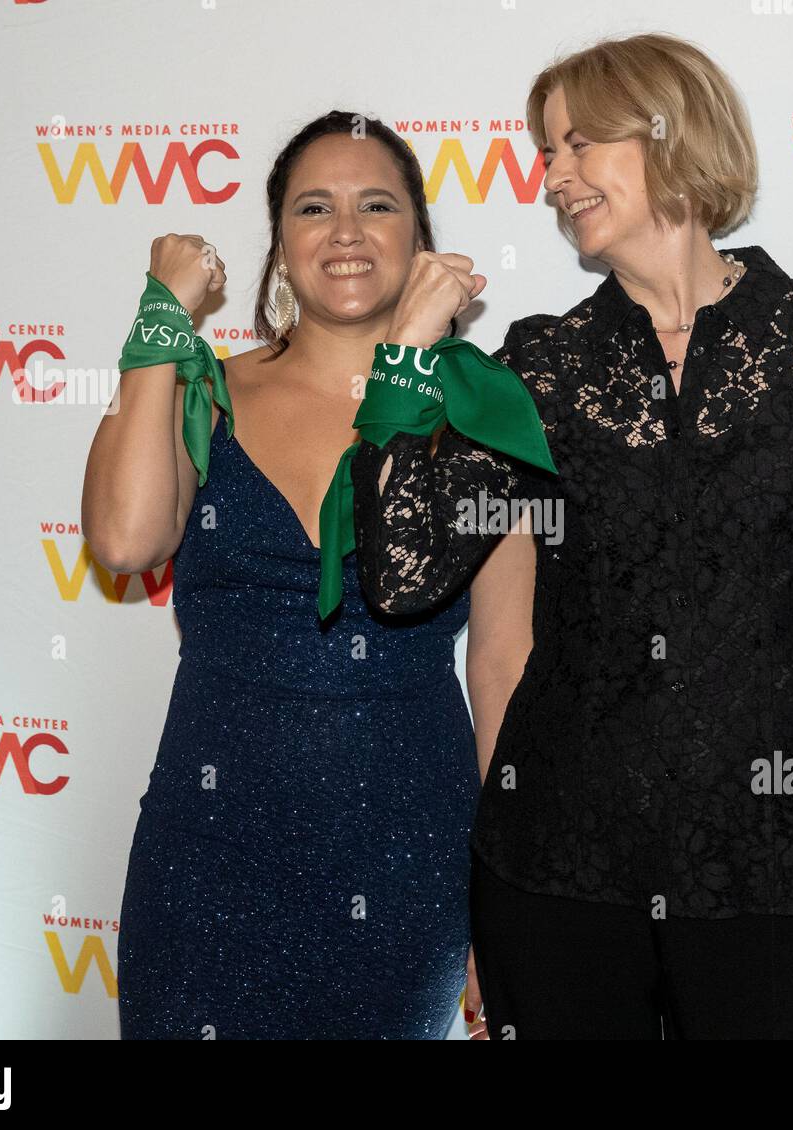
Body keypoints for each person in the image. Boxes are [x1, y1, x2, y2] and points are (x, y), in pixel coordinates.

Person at [349, 34, 793, 1039]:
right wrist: (409, 355)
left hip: (778, 862)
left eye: (579, 143)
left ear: (673, 133)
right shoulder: (539, 364)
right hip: (555, 870)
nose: (554, 177)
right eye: (546, 153)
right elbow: (403, 572)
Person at [81, 110, 533, 1038]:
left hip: (408, 856)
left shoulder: (480, 411)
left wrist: (507, 905)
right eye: (313, 207)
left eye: (378, 205)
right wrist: (163, 314)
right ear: (280, 244)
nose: (347, 231)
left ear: (420, 240)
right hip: (208, 850)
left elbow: (502, 668)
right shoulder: (209, 387)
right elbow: (126, 540)